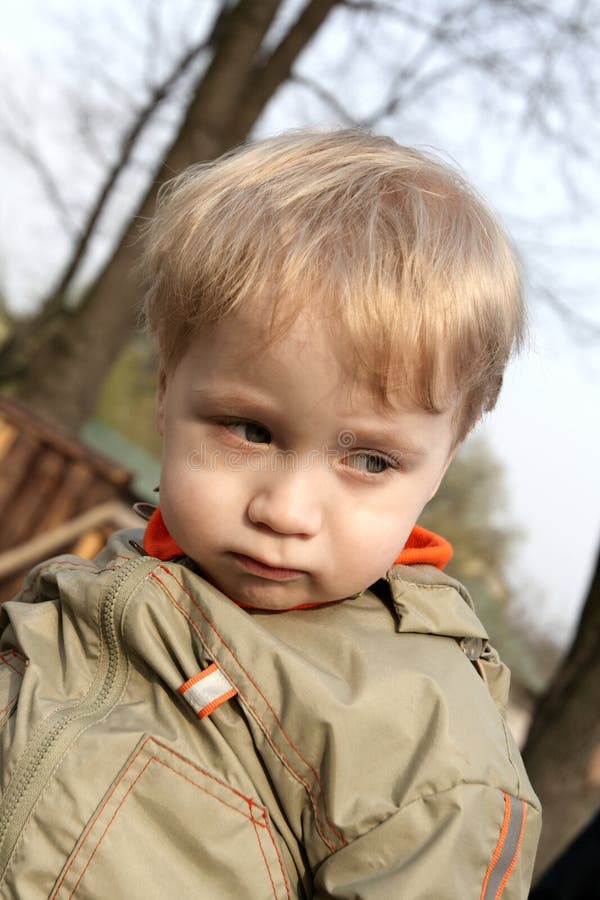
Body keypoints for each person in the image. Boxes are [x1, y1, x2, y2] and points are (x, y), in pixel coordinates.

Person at [0, 130, 540, 898]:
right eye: (250, 431)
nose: (286, 512)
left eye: (370, 461)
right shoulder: (110, 579)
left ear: (441, 465)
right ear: (167, 393)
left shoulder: (430, 751)